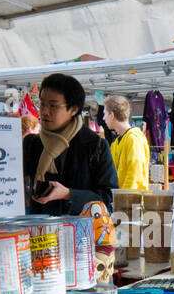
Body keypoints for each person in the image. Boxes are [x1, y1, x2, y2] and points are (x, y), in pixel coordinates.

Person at [23, 73, 117, 215]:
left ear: (73, 109)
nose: (45, 112)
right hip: (38, 232)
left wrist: (69, 194)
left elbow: (109, 199)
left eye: (53, 106)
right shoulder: (32, 144)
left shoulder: (95, 146)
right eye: (42, 104)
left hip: (80, 233)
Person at [104, 95, 149, 190]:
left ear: (112, 115)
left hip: (132, 201)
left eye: (105, 114)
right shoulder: (116, 142)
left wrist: (123, 200)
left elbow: (134, 175)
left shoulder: (134, 139)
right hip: (120, 198)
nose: (103, 118)